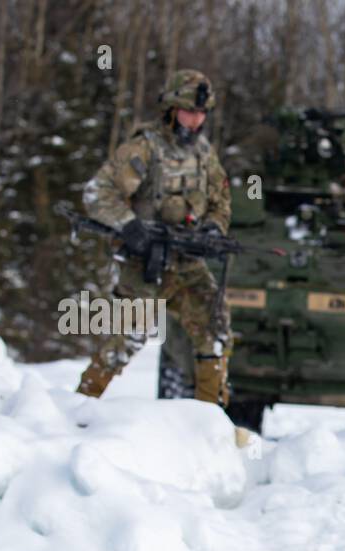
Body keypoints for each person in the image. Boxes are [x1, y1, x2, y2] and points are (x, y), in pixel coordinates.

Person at [76, 69, 233, 407]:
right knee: (126, 339)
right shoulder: (144, 148)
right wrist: (129, 225)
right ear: (171, 110)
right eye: (189, 112)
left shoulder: (205, 155)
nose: (195, 120)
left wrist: (212, 229)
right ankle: (79, 407)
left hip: (187, 261)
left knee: (215, 328)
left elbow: (222, 201)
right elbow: (97, 192)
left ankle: (211, 422)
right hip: (146, 262)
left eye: (201, 113)